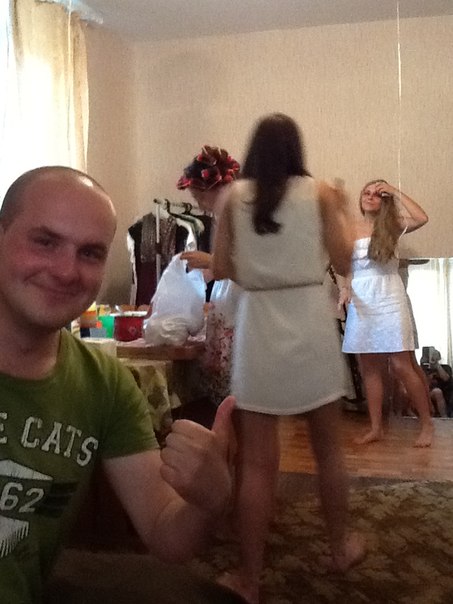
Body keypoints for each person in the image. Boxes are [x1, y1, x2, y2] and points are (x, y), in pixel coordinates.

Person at [0, 166, 244, 604]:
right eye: (45, 242)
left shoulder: (105, 385)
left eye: (90, 253)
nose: (66, 271)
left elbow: (165, 532)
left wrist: (208, 501)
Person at [211, 113, 365, 604]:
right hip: (310, 320)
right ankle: (339, 549)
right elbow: (344, 261)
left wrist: (261, 273)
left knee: (257, 464)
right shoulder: (319, 193)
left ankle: (250, 579)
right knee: (329, 452)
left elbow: (220, 267)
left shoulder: (232, 197)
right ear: (296, 150)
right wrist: (342, 209)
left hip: (258, 325)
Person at [340, 179, 433, 446]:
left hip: (389, 297)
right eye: (366, 193)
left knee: (402, 365)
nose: (370, 197)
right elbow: (344, 265)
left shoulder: (391, 225)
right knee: (369, 368)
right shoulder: (349, 228)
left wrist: (394, 190)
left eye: (377, 194)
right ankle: (376, 428)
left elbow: (422, 218)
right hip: (361, 301)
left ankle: (426, 425)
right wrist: (344, 289)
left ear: (384, 200)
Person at [178, 146, 241, 408]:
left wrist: (210, 261)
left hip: (241, 301)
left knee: (236, 382)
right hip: (228, 297)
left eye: (199, 196)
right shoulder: (225, 216)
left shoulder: (239, 216)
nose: (199, 204)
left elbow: (250, 267)